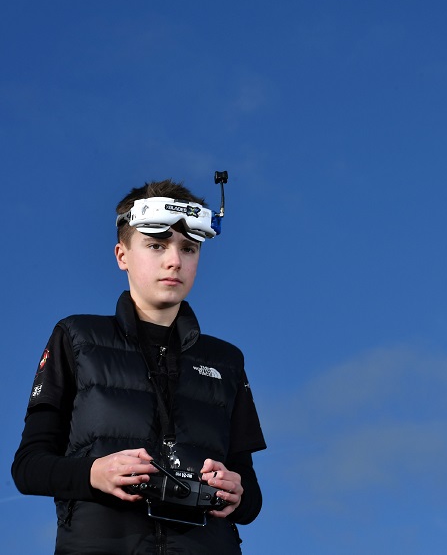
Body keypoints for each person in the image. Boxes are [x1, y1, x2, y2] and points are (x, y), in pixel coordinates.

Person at [11, 179, 266, 554]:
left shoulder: (226, 361)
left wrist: (235, 492)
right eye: (156, 245)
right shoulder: (76, 337)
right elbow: (28, 467)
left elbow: (251, 500)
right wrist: (93, 473)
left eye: (189, 249)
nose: (174, 260)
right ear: (122, 255)